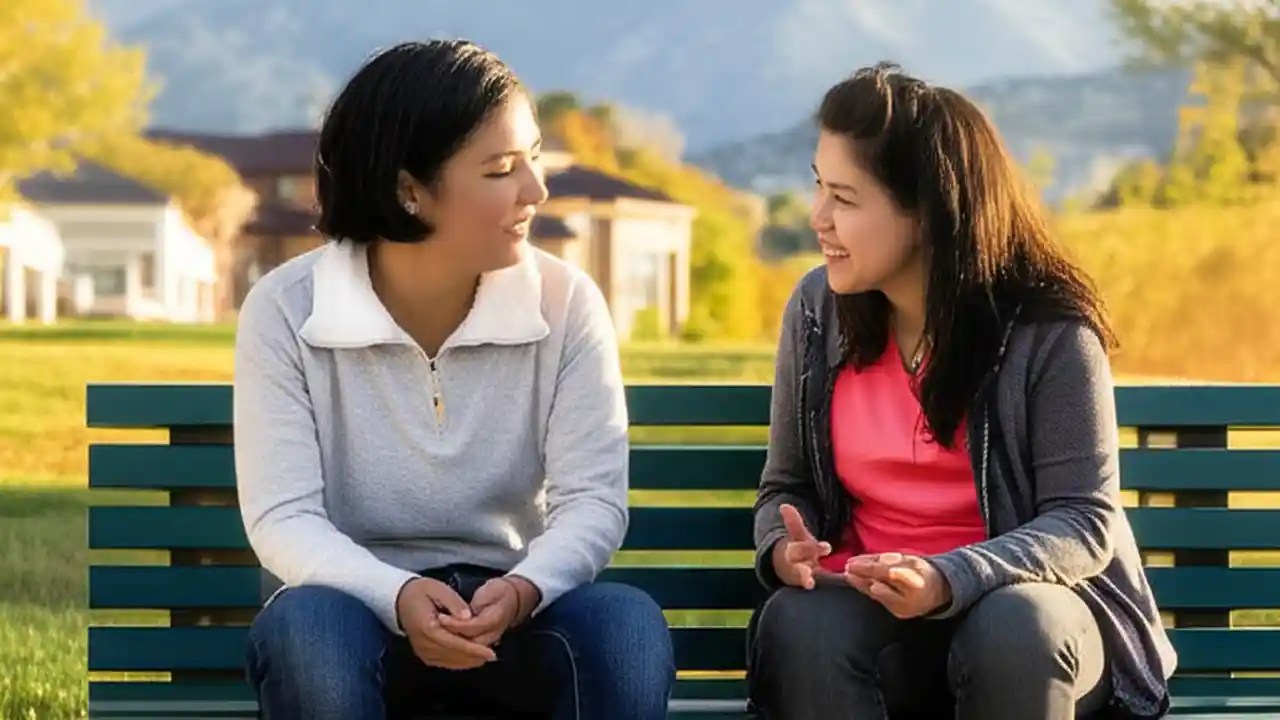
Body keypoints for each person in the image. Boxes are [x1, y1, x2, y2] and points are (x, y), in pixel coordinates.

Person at [232, 39, 674, 720]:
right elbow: (284, 518)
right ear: (409, 191)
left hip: (515, 611)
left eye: (535, 158)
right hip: (355, 611)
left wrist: (526, 588)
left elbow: (593, 501)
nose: (536, 190)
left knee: (625, 630)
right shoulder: (287, 311)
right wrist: (398, 596)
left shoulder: (566, 302)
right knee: (307, 632)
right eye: (501, 169)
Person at [747, 63, 1177, 720]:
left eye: (845, 198)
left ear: (925, 214)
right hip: (876, 620)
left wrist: (950, 577)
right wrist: (784, 545)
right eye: (818, 188)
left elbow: (1084, 522)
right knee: (800, 622)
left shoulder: (1048, 332)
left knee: (1015, 628)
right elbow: (787, 488)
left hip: (1029, 611)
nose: (818, 218)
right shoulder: (817, 311)